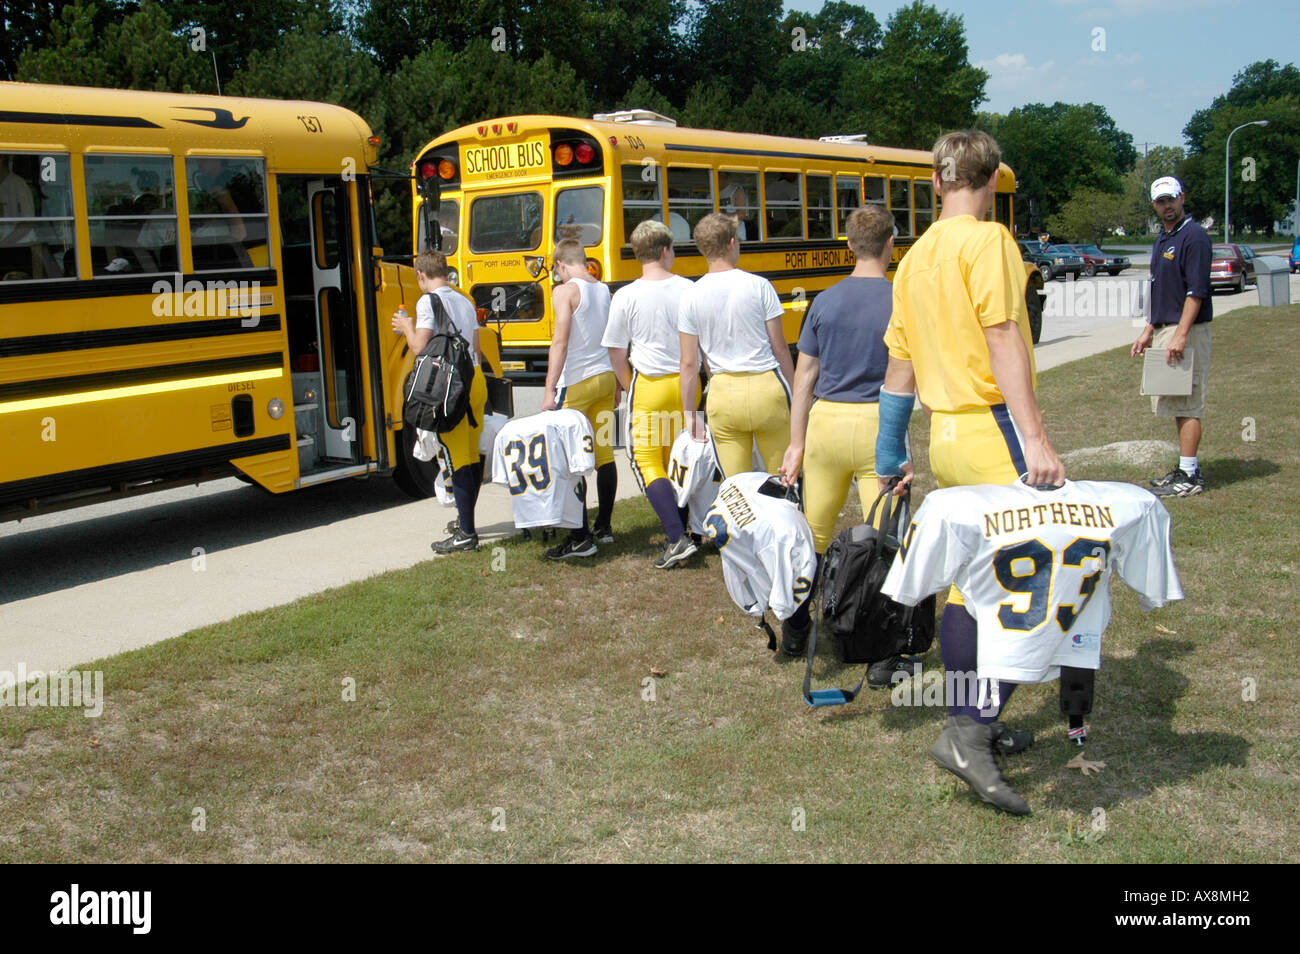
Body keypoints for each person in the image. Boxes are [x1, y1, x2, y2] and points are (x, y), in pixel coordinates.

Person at [875, 129, 1064, 815]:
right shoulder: (990, 242)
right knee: (1044, 581)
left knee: (967, 585)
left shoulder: (917, 255)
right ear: (992, 179)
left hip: (944, 433)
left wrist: (890, 451)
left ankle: (971, 719)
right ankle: (971, 729)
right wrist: (1035, 436)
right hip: (993, 432)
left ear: (934, 183)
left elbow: (898, 364)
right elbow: (1003, 333)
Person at [777, 205, 897, 662]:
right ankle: (882, 643)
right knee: (884, 538)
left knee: (812, 536)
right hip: (878, 425)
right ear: (891, 244)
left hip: (826, 423)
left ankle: (796, 626)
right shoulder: (903, 298)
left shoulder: (824, 300)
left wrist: (796, 443)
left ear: (847, 246)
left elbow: (803, 379)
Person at [603, 219, 700, 569]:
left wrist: (630, 386)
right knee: (682, 456)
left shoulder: (626, 295)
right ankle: (689, 527)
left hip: (650, 383)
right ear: (665, 250)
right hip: (688, 381)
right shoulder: (689, 288)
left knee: (647, 461)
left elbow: (616, 350)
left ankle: (676, 537)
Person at [679, 212, 795, 481]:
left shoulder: (690, 295)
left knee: (736, 487)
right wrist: (795, 392)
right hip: (767, 388)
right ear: (732, 243)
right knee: (784, 480)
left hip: (723, 392)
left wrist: (691, 415)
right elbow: (780, 349)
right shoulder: (759, 286)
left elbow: (688, 363)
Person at [393, 250, 487, 553]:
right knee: (471, 456)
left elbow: (420, 346)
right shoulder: (464, 299)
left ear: (420, 275)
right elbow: (478, 346)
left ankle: (466, 534)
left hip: (453, 387)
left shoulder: (427, 301)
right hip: (475, 378)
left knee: (456, 458)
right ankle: (466, 521)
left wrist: (406, 326)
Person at [1131, 175, 1212, 497]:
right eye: (1161, 201)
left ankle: (1190, 477)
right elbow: (1160, 289)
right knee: (1174, 402)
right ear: (1154, 205)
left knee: (1188, 402)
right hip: (1167, 329)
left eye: (1171, 199)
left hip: (1186, 332)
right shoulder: (1163, 239)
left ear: (1182, 198)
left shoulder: (1194, 237)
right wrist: (1150, 328)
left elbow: (1196, 292)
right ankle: (1184, 468)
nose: (1167, 206)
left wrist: (1180, 335)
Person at [542, 238, 618, 559]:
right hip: (605, 378)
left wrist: (548, 388)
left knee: (571, 460)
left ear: (561, 265)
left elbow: (560, 341)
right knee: (604, 455)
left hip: (577, 382)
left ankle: (580, 536)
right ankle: (604, 525)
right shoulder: (603, 290)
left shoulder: (565, 291)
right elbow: (615, 340)